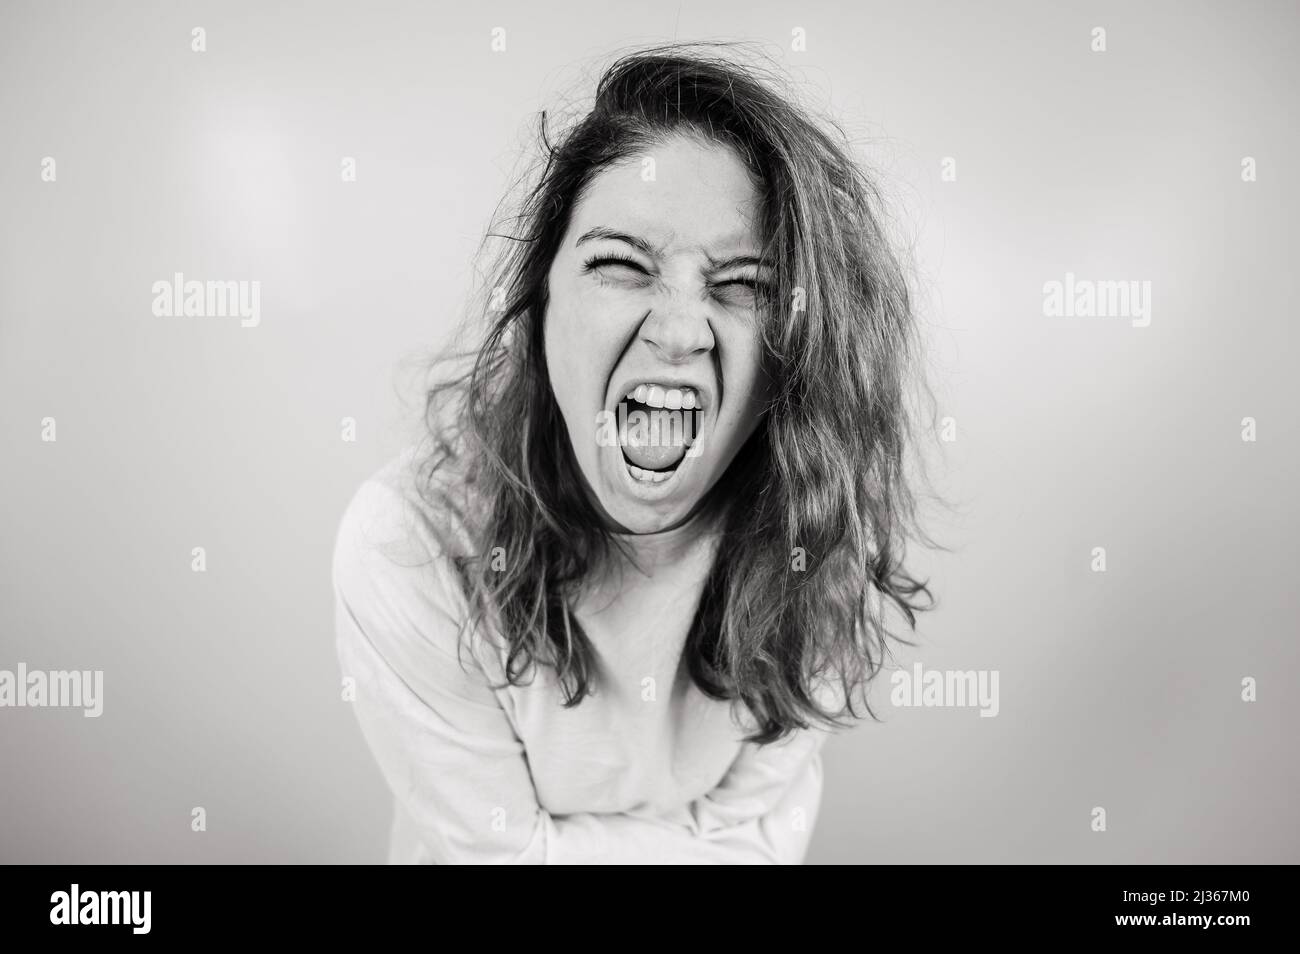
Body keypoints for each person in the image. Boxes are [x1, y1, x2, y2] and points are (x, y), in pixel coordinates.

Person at [332, 43, 936, 863]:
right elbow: (493, 858)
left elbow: (753, 854)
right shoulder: (408, 545)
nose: (682, 330)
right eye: (621, 263)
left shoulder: (819, 542)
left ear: (794, 351)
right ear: (539, 301)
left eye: (746, 285)